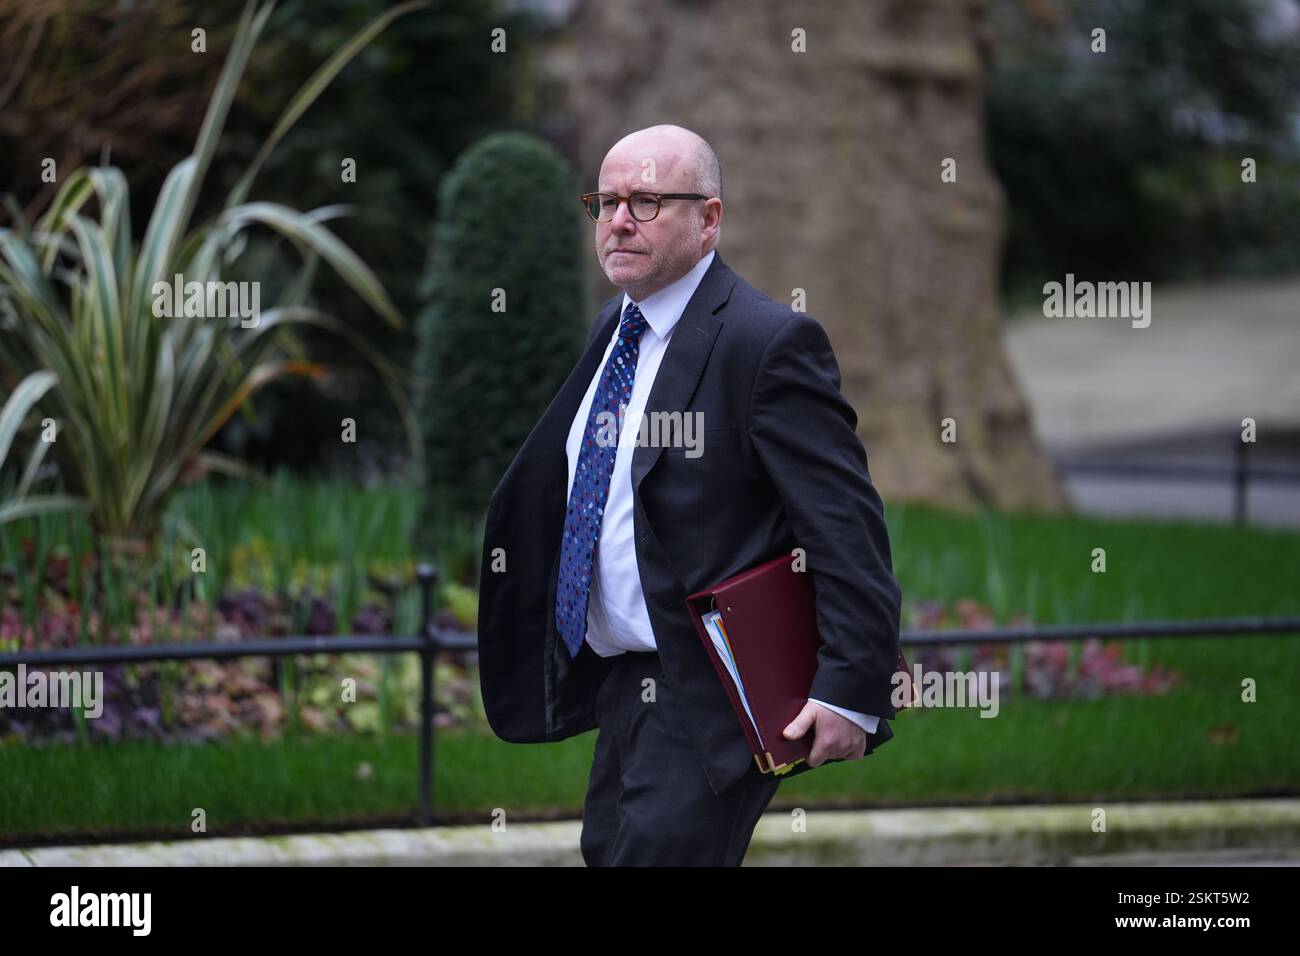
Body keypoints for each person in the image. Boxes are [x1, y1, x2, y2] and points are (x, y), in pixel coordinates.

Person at [477, 124, 902, 866]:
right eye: (605, 201)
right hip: (625, 679)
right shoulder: (616, 326)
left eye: (646, 201)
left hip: (712, 686)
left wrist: (849, 689)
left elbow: (846, 530)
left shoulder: (768, 343)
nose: (618, 220)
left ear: (709, 219)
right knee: (608, 851)